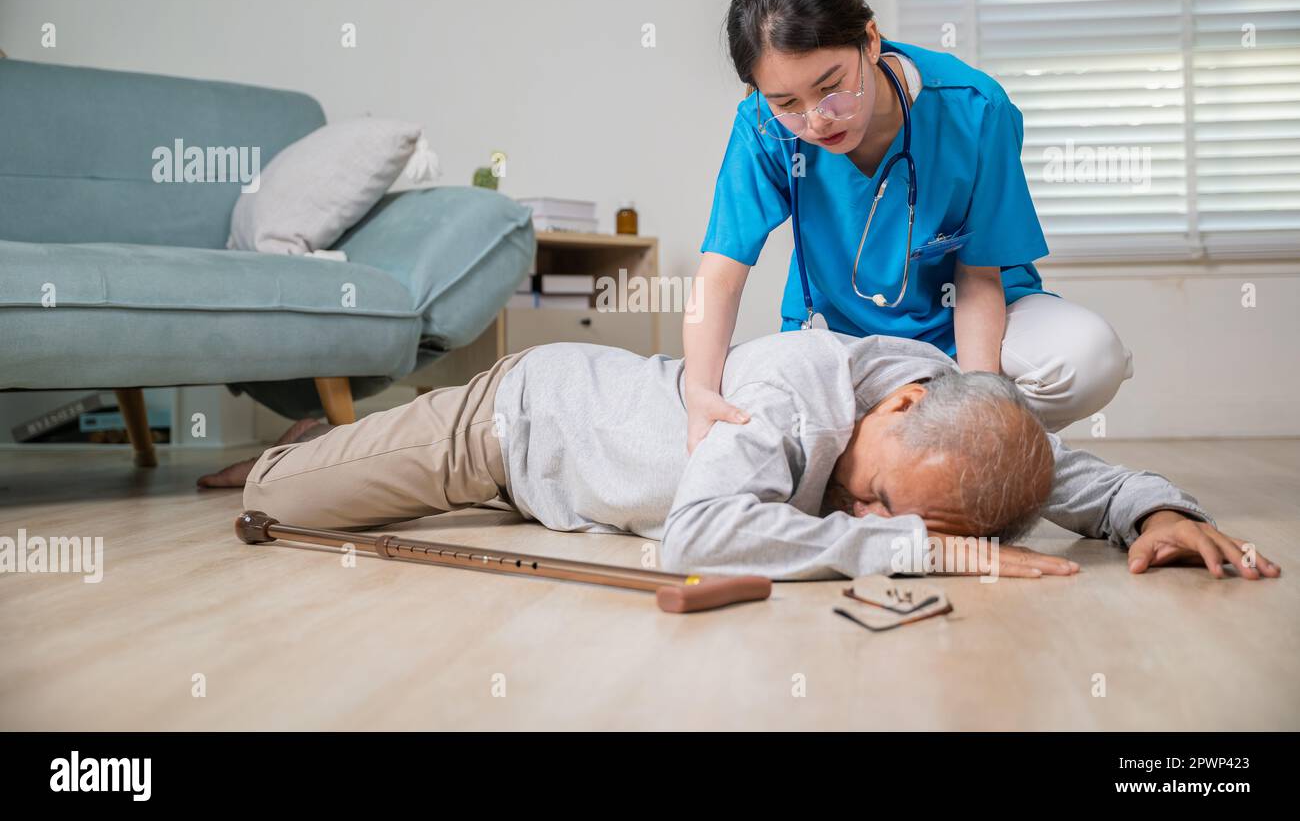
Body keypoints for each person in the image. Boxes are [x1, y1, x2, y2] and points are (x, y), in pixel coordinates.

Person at [201, 333, 1278, 583]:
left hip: (558, 483)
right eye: (873, 494)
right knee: (282, 495)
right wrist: (932, 553)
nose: (864, 511)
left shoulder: (957, 425)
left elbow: (1075, 479)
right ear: (896, 404)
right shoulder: (784, 390)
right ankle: (307, 436)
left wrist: (1153, 514)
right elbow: (701, 534)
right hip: (510, 423)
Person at [684, 0, 1133, 453]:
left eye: (831, 88)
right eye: (787, 103)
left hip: (971, 333)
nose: (817, 121)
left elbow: (978, 277)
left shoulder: (974, 108)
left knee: (1087, 357)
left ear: (870, 41)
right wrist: (700, 394)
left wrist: (975, 403)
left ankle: (923, 447)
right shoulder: (761, 129)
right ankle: (900, 449)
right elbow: (721, 273)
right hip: (841, 340)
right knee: (750, 415)